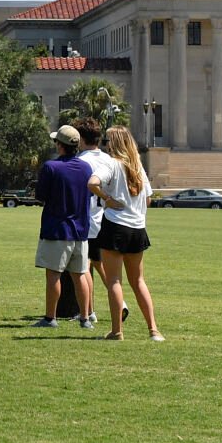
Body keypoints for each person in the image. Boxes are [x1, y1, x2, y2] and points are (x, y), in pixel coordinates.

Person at [88, 125, 163, 342]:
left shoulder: (111, 164)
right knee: (138, 280)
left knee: (114, 281)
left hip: (115, 227)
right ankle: (154, 330)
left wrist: (107, 199)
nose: (106, 145)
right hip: (138, 229)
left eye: (108, 141)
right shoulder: (138, 167)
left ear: (116, 143)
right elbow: (147, 198)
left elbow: (92, 183)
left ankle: (116, 331)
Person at [32, 124, 92, 329]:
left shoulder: (51, 167)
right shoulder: (86, 168)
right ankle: (85, 318)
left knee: (53, 275)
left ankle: (50, 318)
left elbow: (41, 196)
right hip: (81, 231)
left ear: (60, 145)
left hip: (57, 229)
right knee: (80, 275)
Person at [73, 117, 123, 328]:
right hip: (105, 219)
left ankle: (92, 311)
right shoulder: (108, 159)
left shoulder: (80, 162)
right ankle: (93, 310)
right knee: (100, 265)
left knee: (86, 267)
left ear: (80, 139)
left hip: (86, 219)